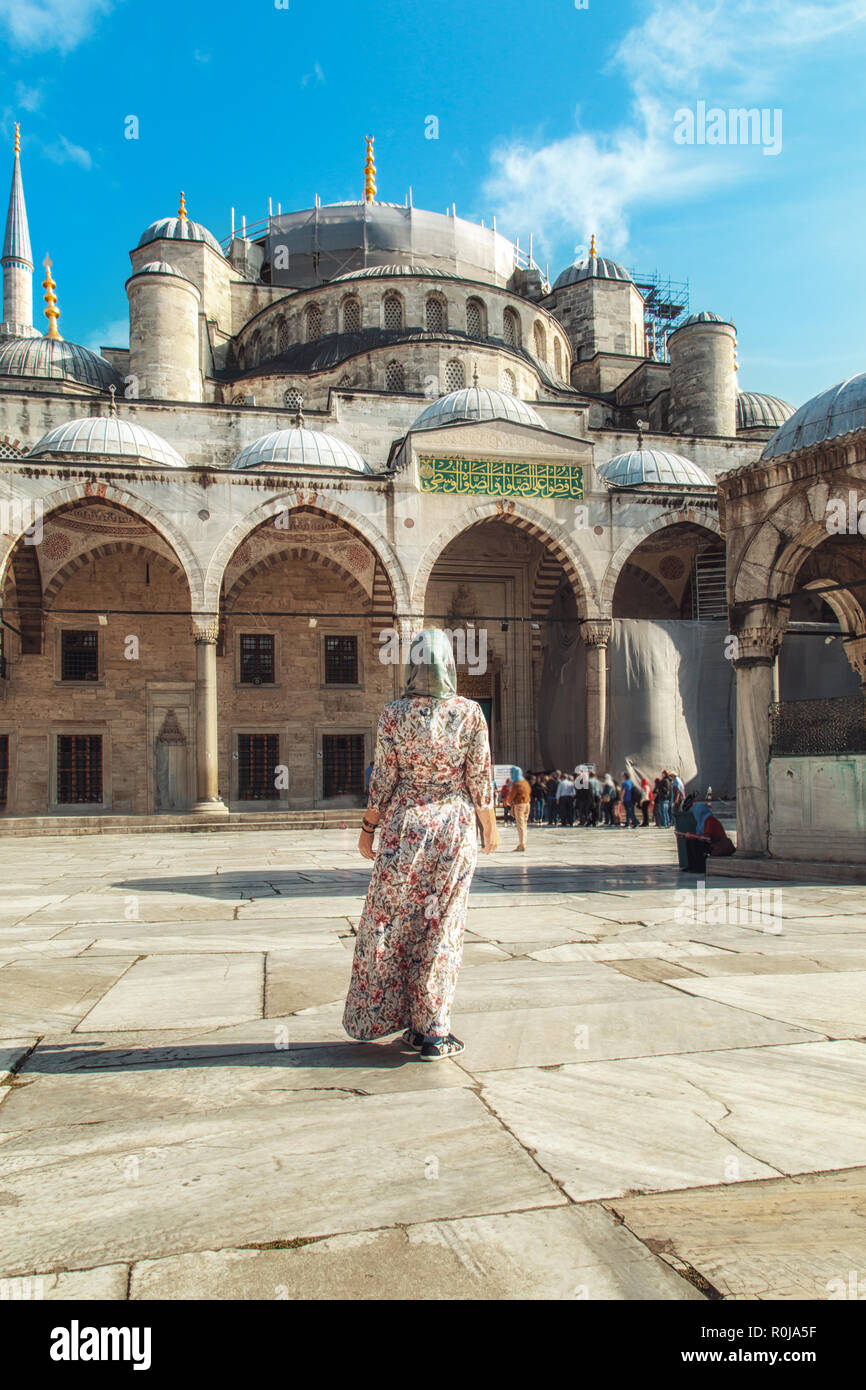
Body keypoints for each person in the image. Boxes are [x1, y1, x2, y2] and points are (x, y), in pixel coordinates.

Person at [343, 629, 499, 1062]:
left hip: (404, 829)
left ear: (412, 665)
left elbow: (384, 781)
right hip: (453, 828)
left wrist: (367, 829)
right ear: (450, 665)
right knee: (442, 925)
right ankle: (432, 1028)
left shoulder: (393, 715)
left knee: (395, 922)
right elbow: (479, 778)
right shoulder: (469, 714)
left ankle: (398, 1018)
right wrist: (490, 825)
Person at [509, 765, 531, 851]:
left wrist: (508, 801)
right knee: (524, 824)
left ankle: (522, 844)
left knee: (520, 825)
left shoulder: (516, 784)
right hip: (527, 804)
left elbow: (512, 795)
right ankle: (523, 842)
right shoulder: (525, 782)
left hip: (519, 805)